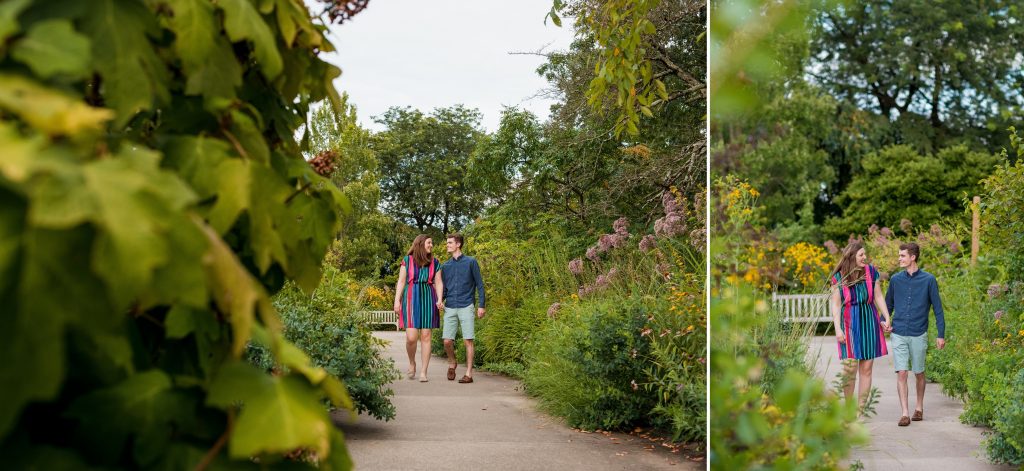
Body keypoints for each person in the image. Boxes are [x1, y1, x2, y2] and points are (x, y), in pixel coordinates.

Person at [885, 242, 946, 427]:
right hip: (898, 332)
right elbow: (887, 306)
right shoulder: (895, 280)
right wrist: (884, 321)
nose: (899, 259)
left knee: (919, 372)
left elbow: (938, 309)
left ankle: (918, 408)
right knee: (902, 372)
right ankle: (904, 413)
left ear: (913, 257)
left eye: (902, 256)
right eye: (899, 255)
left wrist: (940, 334)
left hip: (919, 333)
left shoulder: (929, 280)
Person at [829, 241, 892, 411]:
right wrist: (837, 328)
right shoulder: (839, 277)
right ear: (851, 257)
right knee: (850, 368)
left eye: (865, 254)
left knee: (867, 367)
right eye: (861, 255)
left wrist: (886, 317)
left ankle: (860, 410)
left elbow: (878, 296)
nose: (865, 257)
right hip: (848, 322)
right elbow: (836, 304)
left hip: (869, 321)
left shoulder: (871, 272)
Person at [393, 235, 444, 382]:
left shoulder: (435, 262)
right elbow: (401, 281)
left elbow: (439, 282)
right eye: (429, 242)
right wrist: (397, 301)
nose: (431, 245)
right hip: (410, 298)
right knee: (411, 338)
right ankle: (412, 362)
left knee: (426, 335)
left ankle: (423, 372)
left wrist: (440, 299)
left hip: (428, 297)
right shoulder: (407, 261)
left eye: (431, 242)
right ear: (421, 244)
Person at [440, 233, 486, 384]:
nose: (447, 245)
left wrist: (481, 305)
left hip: (467, 305)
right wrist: (440, 300)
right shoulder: (445, 266)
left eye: (450, 243)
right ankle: (452, 362)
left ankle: (468, 374)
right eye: (447, 243)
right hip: (450, 306)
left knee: (468, 340)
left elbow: (479, 284)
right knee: (447, 341)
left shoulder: (471, 262)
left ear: (458, 244)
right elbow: (445, 289)